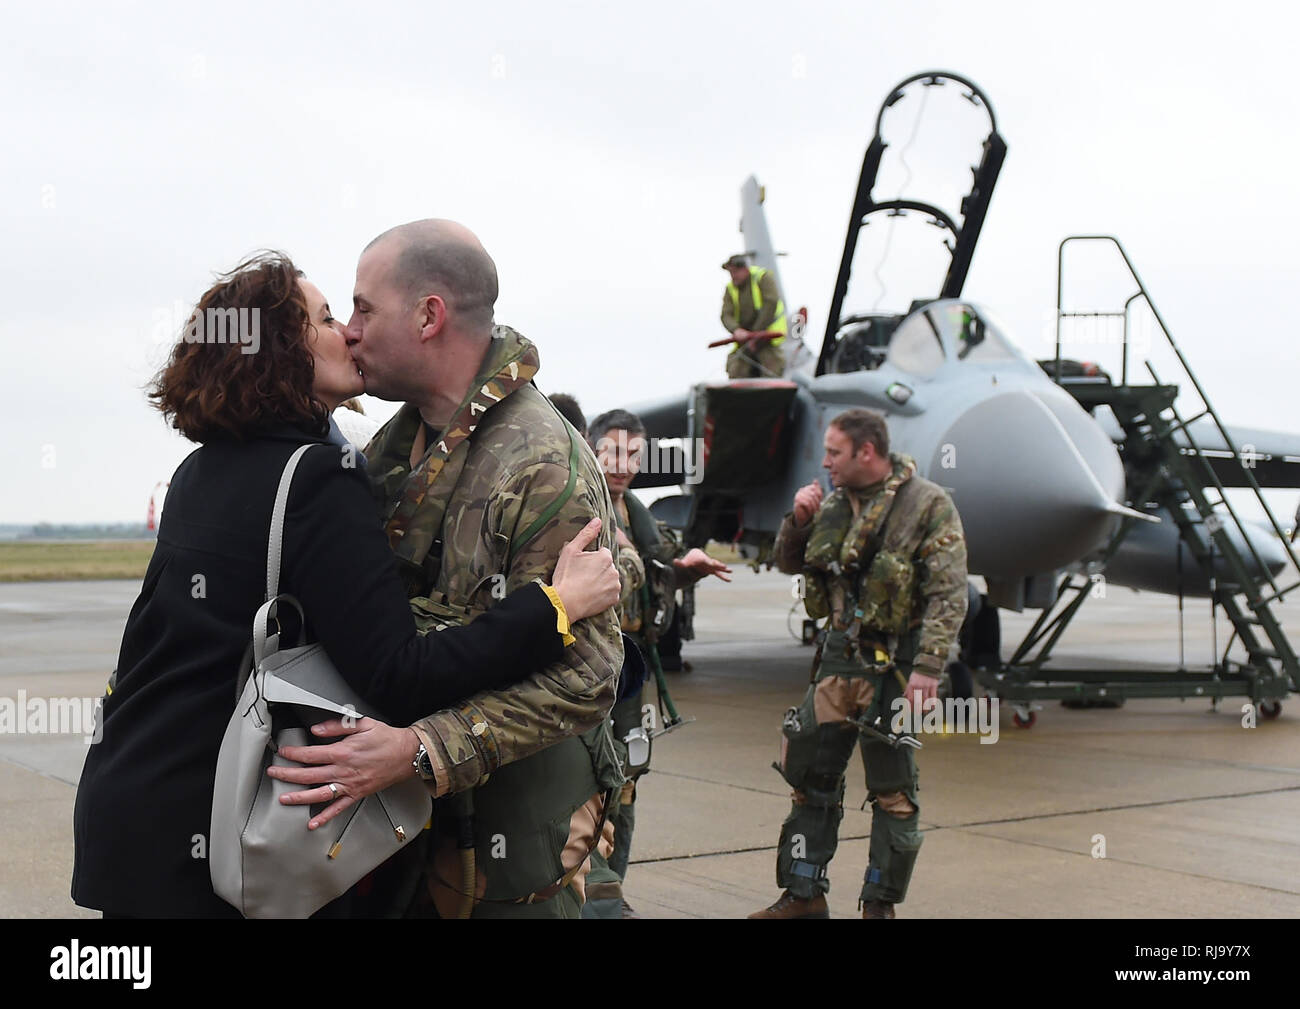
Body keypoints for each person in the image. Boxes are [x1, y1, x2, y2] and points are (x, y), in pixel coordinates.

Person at [71, 253, 621, 918]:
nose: (348, 332)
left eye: (355, 311)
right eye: (328, 317)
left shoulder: (199, 472)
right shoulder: (317, 478)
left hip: (131, 815)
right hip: (222, 838)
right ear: (281, 352)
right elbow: (399, 672)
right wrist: (553, 608)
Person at [322, 219, 626, 918]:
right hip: (403, 837)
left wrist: (422, 750)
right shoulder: (391, 454)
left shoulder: (541, 463)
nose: (350, 329)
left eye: (364, 308)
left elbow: (587, 677)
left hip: (508, 856)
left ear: (428, 316)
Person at [749, 408, 967, 919]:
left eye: (834, 452)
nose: (826, 462)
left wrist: (929, 668)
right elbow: (790, 562)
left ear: (866, 452)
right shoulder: (831, 504)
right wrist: (798, 523)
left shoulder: (927, 505)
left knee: (892, 790)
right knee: (809, 779)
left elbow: (949, 593)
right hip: (838, 661)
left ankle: (878, 905)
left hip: (896, 665)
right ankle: (804, 895)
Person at [583, 408, 733, 918]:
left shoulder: (638, 518)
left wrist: (685, 571)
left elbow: (657, 572)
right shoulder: (579, 506)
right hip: (587, 668)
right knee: (588, 778)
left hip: (630, 671)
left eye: (632, 454)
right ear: (592, 447)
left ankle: (611, 890)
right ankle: (592, 892)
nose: (622, 464)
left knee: (627, 778)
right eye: (613, 451)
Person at [720, 253, 787, 379]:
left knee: (772, 369)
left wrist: (756, 333)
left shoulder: (762, 278)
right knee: (737, 369)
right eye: (731, 272)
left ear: (745, 269)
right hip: (745, 342)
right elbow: (726, 314)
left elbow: (770, 303)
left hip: (767, 339)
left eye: (736, 271)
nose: (733, 276)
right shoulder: (731, 289)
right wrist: (736, 329)